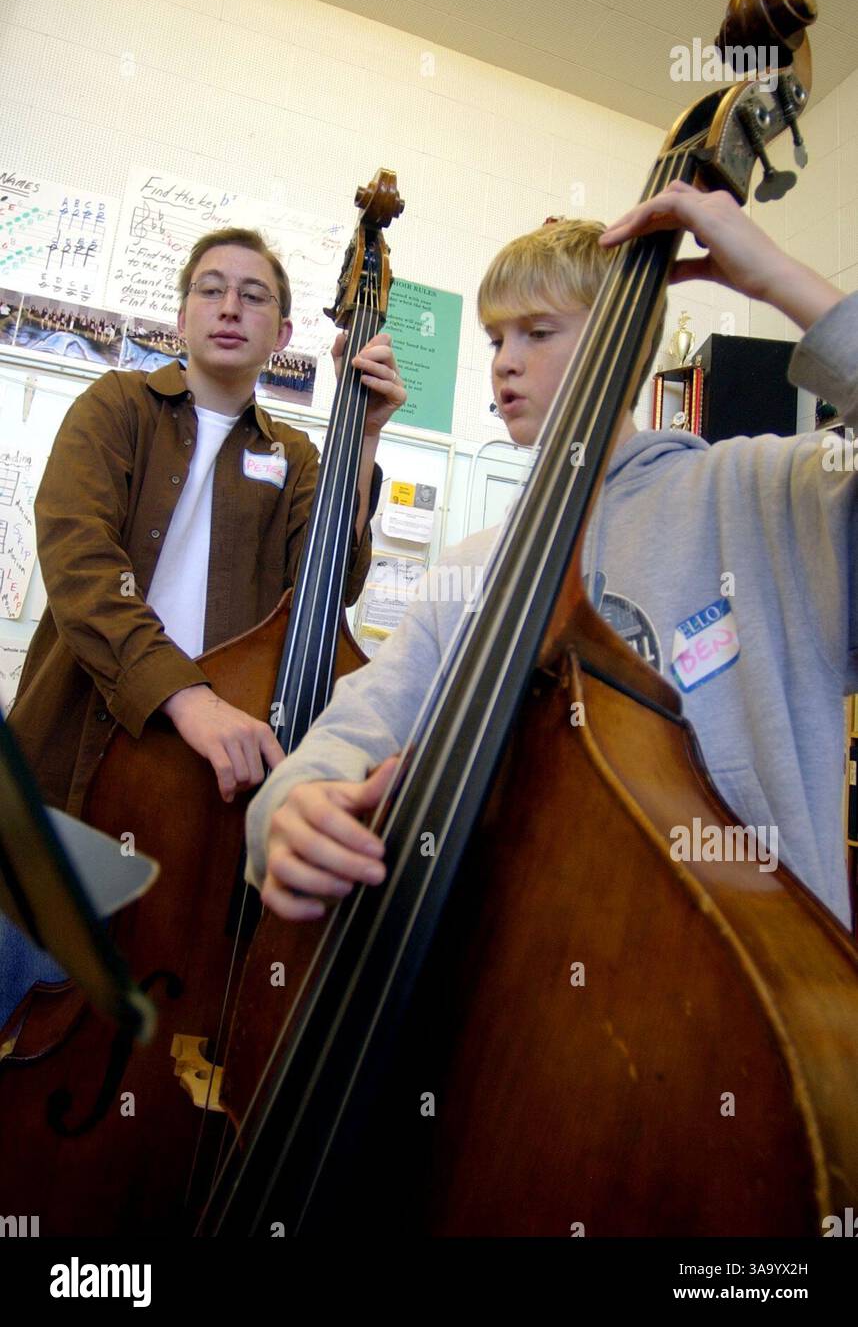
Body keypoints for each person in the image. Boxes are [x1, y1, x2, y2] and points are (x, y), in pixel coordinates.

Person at [244, 182, 857, 931]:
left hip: (753, 1008)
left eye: (537, 332)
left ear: (625, 341)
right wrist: (291, 807)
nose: (505, 363)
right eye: (497, 338)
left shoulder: (765, 498)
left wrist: (780, 279)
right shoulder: (477, 567)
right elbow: (356, 726)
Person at [8, 226, 405, 816]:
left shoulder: (294, 457)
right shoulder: (115, 406)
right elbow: (79, 562)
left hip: (213, 776)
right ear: (181, 317)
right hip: (72, 755)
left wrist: (364, 436)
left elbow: (328, 588)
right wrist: (184, 695)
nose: (229, 308)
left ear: (282, 333)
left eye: (253, 296)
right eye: (210, 290)